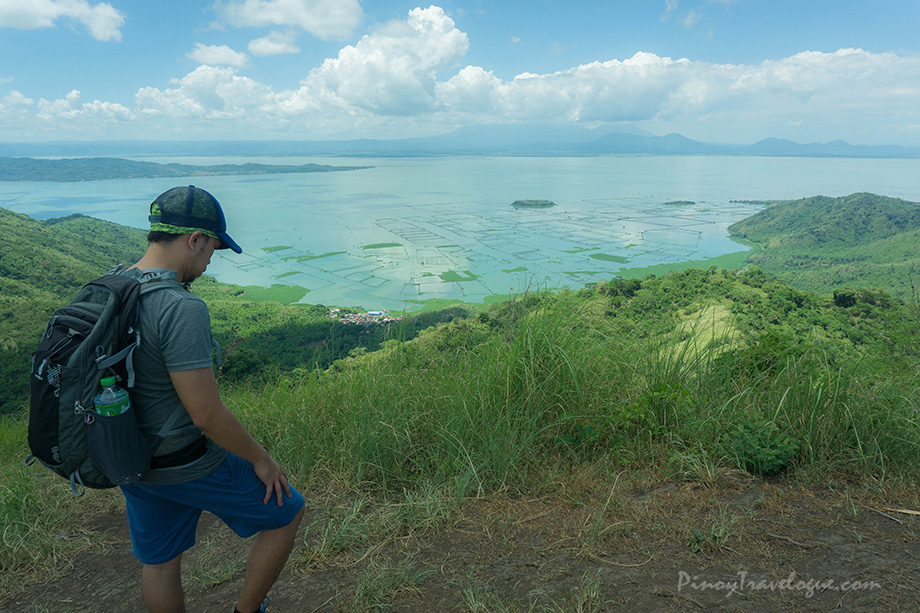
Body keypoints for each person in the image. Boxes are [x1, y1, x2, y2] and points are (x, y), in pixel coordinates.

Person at [119, 185, 304, 613]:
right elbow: (205, 414)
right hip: (183, 460)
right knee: (287, 511)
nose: (208, 261)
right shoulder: (180, 307)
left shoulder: (117, 285)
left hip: (130, 457)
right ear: (194, 239)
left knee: (161, 564)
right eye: (211, 250)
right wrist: (261, 458)